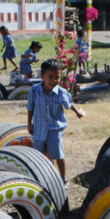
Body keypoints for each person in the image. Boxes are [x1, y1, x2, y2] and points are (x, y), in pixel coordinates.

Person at [26, 59, 85, 187]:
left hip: (55, 128)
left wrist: (77, 112)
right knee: (38, 156)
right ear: (42, 76)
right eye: (50, 77)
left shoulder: (62, 93)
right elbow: (30, 107)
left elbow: (69, 104)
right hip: (39, 129)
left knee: (58, 154)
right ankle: (39, 179)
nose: (54, 80)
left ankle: (63, 179)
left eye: (57, 77)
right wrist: (29, 123)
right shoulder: (35, 91)